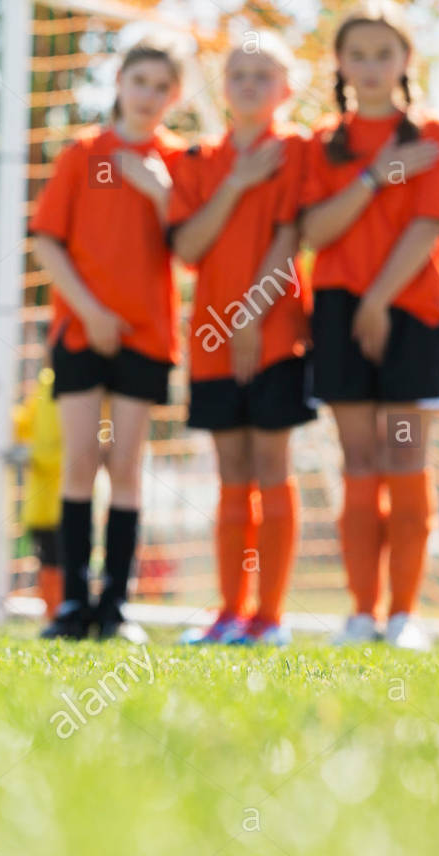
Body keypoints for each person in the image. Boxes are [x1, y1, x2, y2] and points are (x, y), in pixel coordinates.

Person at [299, 1, 439, 650]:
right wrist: (375, 174)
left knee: (405, 454)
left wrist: (378, 303)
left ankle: (403, 617)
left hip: (412, 310)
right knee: (359, 459)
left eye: (382, 54)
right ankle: (361, 613)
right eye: (357, 54)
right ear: (340, 64)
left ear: (404, 61)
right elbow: (314, 231)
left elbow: (427, 228)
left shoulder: (434, 138)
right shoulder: (320, 143)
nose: (369, 66)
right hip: (338, 312)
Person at [28, 37, 185, 641]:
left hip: (147, 334)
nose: (150, 95)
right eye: (141, 81)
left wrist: (159, 191)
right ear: (120, 82)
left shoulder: (177, 162)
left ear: (174, 97)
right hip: (81, 331)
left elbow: (191, 245)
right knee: (79, 461)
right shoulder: (82, 153)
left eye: (163, 87)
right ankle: (70, 604)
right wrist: (89, 310)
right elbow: (47, 240)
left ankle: (115, 607)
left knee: (125, 465)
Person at [168, 34, 316, 647]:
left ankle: (270, 619)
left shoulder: (299, 149)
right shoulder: (200, 158)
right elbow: (186, 248)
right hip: (211, 340)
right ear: (222, 86)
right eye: (238, 73)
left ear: (287, 88)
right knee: (231, 473)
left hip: (277, 334)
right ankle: (230, 612)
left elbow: (294, 232)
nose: (249, 83)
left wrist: (252, 316)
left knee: (272, 466)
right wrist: (236, 182)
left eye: (263, 74)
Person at [11, 368, 64, 622]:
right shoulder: (44, 383)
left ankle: (65, 611)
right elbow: (24, 425)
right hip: (41, 502)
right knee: (46, 559)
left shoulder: (78, 385)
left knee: (64, 559)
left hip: (66, 500)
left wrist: (36, 457)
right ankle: (53, 614)